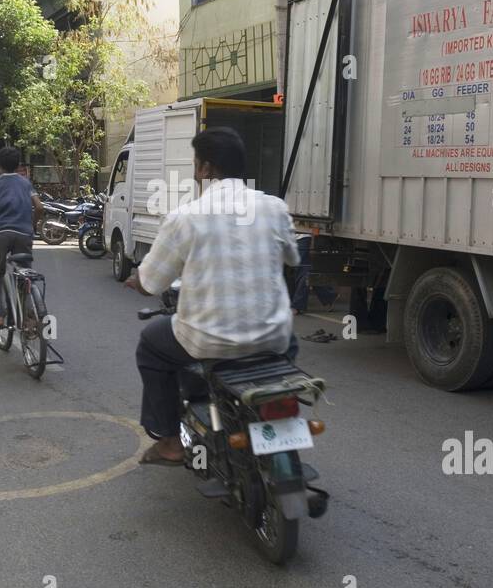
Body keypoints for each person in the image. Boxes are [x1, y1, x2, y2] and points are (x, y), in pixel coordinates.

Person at [126, 127, 300, 466]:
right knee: (290, 344)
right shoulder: (274, 207)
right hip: (273, 337)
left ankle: (170, 443)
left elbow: (152, 282)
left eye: (196, 162)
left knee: (151, 344)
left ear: (206, 168)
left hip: (206, 340)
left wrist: (137, 281)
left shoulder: (184, 217)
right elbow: (292, 257)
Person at [0, 147, 43, 329]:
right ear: (18, 165)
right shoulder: (25, 183)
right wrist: (32, 224)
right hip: (24, 234)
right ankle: (29, 318)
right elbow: (38, 207)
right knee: (24, 273)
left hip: (1, 234)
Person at [291, 233, 338, 314]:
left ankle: (297, 305)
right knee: (299, 271)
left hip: (302, 236)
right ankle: (329, 295)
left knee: (303, 270)